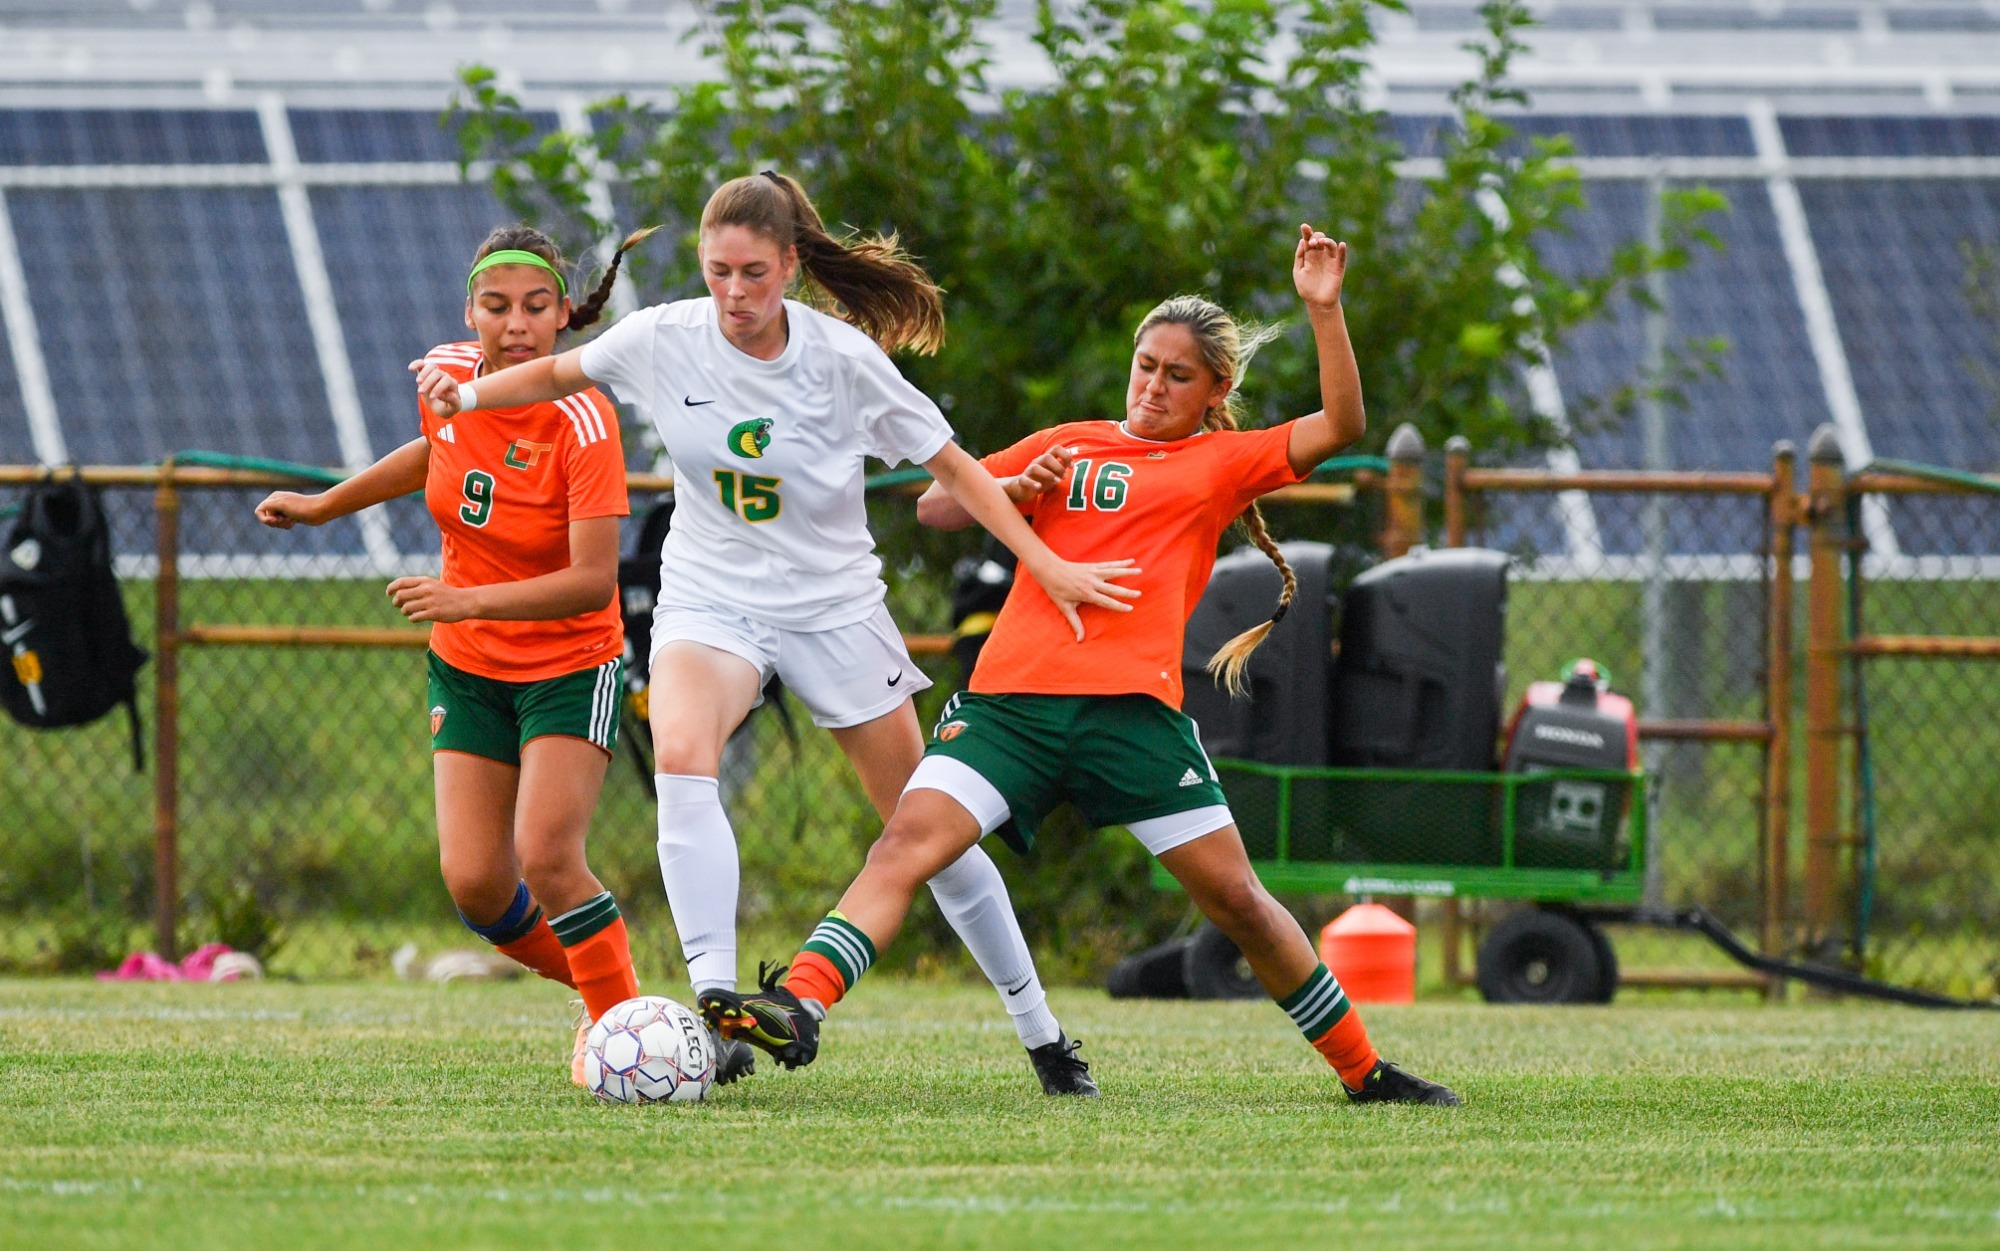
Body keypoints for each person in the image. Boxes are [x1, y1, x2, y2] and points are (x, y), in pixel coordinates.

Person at [410, 171, 1139, 1096]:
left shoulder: (843, 361)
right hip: (710, 600)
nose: (733, 294)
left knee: (931, 834)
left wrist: (1045, 560)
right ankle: (718, 1012)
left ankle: (1044, 1036)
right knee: (681, 749)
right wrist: (464, 399)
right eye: (718, 272)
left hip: (834, 609)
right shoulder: (664, 337)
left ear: (791, 267)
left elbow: (955, 466)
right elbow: (556, 371)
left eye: (753, 273)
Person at [706, 226, 1461, 1107]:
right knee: (904, 847)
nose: (1153, 386)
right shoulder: (1070, 440)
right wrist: (1016, 490)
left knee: (1243, 904)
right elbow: (938, 504)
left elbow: (1343, 426)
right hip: (1010, 709)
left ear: (1216, 390)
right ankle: (797, 1002)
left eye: (1179, 376)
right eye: (1145, 365)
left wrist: (1323, 311)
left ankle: (1365, 1071)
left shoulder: (1218, 463)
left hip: (1131, 718)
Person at [257, 225, 650, 1085]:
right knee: (475, 883)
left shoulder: (584, 417)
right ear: (469, 311)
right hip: (469, 664)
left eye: (537, 307)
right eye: (497, 306)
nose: (516, 324)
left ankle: (630, 1025)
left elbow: (592, 585)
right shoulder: (446, 374)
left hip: (567, 666)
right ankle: (614, 1005)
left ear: (564, 316)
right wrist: (326, 506)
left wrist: (464, 599)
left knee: (548, 856)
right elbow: (435, 454)